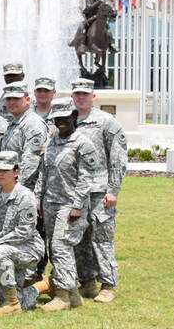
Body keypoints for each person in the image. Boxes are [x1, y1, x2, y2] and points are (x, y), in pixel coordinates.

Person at [37, 99, 103, 312]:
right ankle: (73, 294)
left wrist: (77, 205)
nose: (61, 121)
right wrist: (38, 199)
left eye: (65, 117)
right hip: (50, 204)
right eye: (57, 118)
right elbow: (43, 173)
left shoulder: (83, 144)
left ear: (74, 117)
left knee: (61, 247)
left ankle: (63, 296)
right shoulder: (52, 141)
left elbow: (86, 178)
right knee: (53, 248)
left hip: (70, 206)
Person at [71, 78, 126, 303]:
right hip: (76, 192)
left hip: (99, 190)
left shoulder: (106, 121)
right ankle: (87, 283)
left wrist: (113, 190)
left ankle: (108, 284)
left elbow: (118, 157)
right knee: (79, 239)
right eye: (77, 94)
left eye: (85, 94)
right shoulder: (68, 120)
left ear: (93, 96)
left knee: (102, 238)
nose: (81, 97)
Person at [0, 150, 45, 315]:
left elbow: (25, 230)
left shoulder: (26, 196)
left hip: (28, 247)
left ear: (16, 172)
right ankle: (43, 287)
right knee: (19, 300)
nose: (0, 174)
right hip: (6, 249)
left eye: (5, 170)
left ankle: (12, 304)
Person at [0, 83, 49, 193]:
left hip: (25, 191)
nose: (11, 102)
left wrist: (16, 188)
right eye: (8, 99)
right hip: (11, 189)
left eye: (16, 98)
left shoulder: (33, 123)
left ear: (27, 99)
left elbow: (31, 160)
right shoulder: (14, 123)